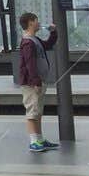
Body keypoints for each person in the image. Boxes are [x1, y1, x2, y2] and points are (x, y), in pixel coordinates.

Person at [16, 11, 59, 152]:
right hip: (31, 84)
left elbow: (48, 45)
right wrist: (36, 82)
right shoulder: (28, 42)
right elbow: (30, 64)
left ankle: (40, 139)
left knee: (38, 112)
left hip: (38, 81)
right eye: (36, 20)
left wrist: (53, 33)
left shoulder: (35, 40)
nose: (39, 23)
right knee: (32, 111)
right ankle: (34, 141)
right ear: (30, 22)